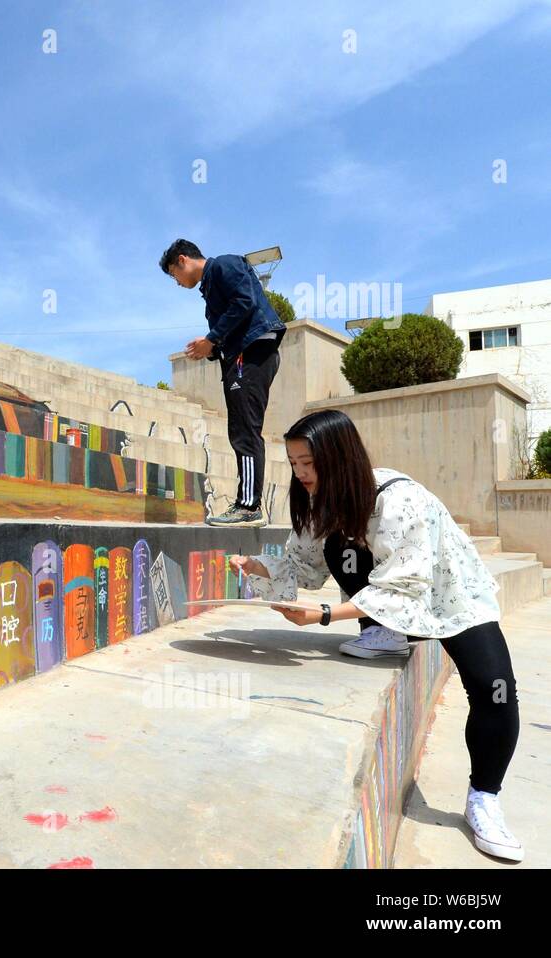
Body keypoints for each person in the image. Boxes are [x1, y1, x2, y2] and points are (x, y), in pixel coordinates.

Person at [229, 409, 523, 862]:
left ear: (339, 457)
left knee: (494, 691)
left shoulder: (399, 499)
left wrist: (327, 614)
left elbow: (406, 584)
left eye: (309, 463)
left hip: (452, 595)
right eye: (293, 464)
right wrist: (260, 568)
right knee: (339, 545)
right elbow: (301, 565)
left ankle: (484, 796)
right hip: (392, 596)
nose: (301, 474)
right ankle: (381, 631)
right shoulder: (317, 501)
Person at [160, 239, 287, 527]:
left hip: (251, 355)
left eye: (173, 275)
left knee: (245, 429)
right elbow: (234, 319)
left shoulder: (223, 265)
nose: (177, 283)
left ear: (182, 260)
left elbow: (245, 301)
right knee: (240, 428)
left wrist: (212, 339)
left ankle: (249, 506)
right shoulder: (211, 286)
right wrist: (210, 348)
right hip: (243, 355)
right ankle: (247, 503)